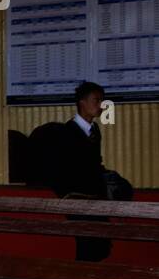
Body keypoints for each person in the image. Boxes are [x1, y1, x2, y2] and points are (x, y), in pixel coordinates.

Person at [46, 81, 133, 261]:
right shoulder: (67, 132)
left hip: (95, 199)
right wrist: (68, 196)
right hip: (78, 201)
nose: (100, 105)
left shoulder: (94, 130)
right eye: (96, 100)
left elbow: (93, 163)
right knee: (87, 244)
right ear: (82, 103)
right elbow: (58, 168)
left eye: (102, 100)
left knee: (100, 244)